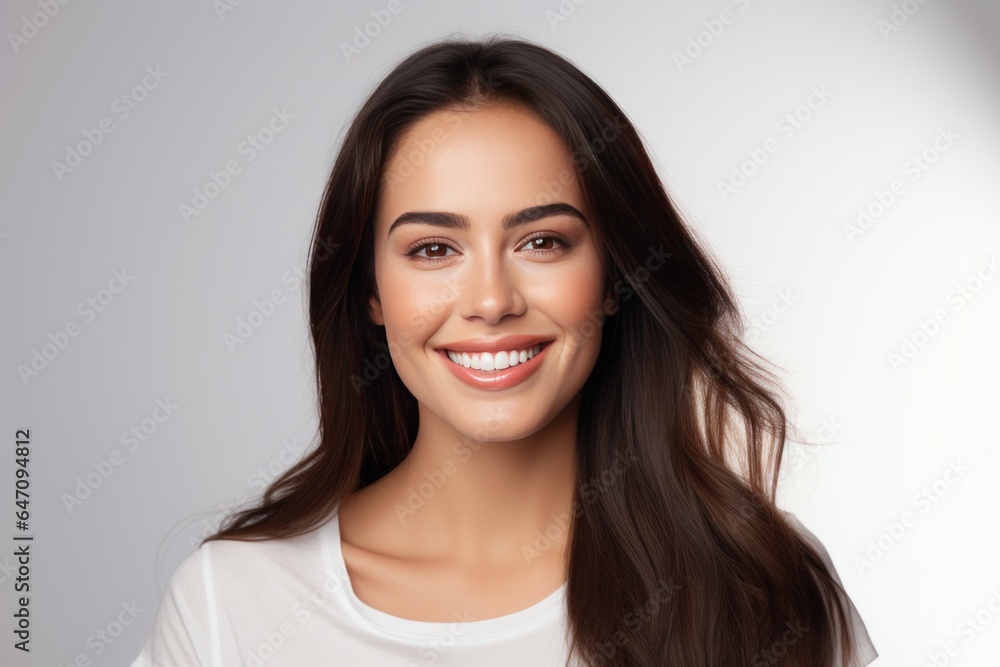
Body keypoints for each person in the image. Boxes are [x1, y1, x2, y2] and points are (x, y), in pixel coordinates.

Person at [131, 35, 878, 666]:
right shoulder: (231, 604)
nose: (491, 300)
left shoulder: (759, 582)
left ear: (615, 277)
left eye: (542, 241)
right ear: (370, 293)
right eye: (433, 249)